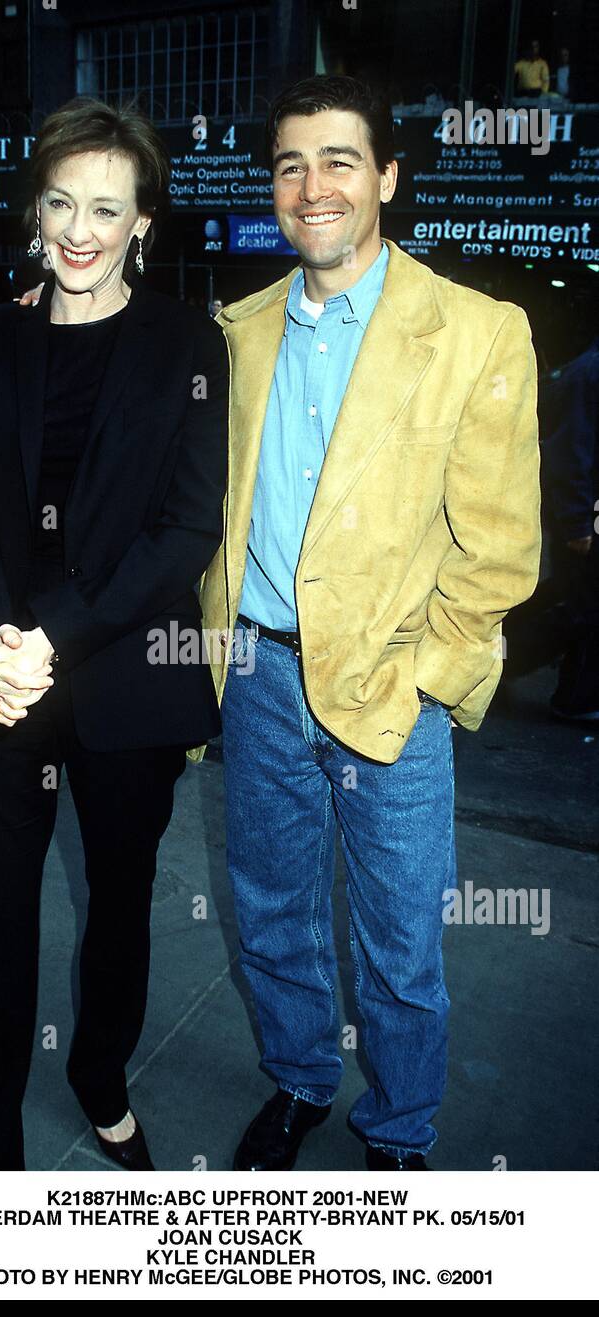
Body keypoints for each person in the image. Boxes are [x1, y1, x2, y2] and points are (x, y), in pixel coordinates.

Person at [191, 76, 541, 1171]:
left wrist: (428, 675)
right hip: (253, 676)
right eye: (291, 164)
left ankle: (396, 1129)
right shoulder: (233, 332)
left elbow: (496, 551)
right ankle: (298, 1079)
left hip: (391, 686)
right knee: (270, 912)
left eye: (339, 159)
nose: (313, 185)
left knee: (398, 940)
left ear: (385, 176)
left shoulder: (475, 333)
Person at [0, 97, 229, 1172]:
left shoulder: (189, 339)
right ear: (34, 209)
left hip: (127, 674)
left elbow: (185, 525)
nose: (80, 229)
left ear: (144, 219)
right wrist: (5, 643)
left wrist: (48, 635)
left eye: (107, 206)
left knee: (119, 900)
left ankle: (99, 1073)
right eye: (60, 202)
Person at [539, 336, 599, 720]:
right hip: (584, 514)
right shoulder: (590, 371)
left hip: (586, 510)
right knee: (583, 610)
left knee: (579, 604)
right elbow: (568, 451)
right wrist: (577, 522)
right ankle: (575, 699)